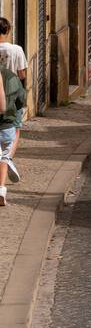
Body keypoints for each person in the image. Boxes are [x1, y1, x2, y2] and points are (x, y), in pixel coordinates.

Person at [0, 18, 27, 175]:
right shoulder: (16, 49)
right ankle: (7, 158)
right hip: (12, 97)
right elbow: (22, 74)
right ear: (8, 31)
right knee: (15, 129)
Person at [0, 62, 26, 208]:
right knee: (4, 156)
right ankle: (1, 189)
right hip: (7, 124)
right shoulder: (11, 76)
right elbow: (21, 98)